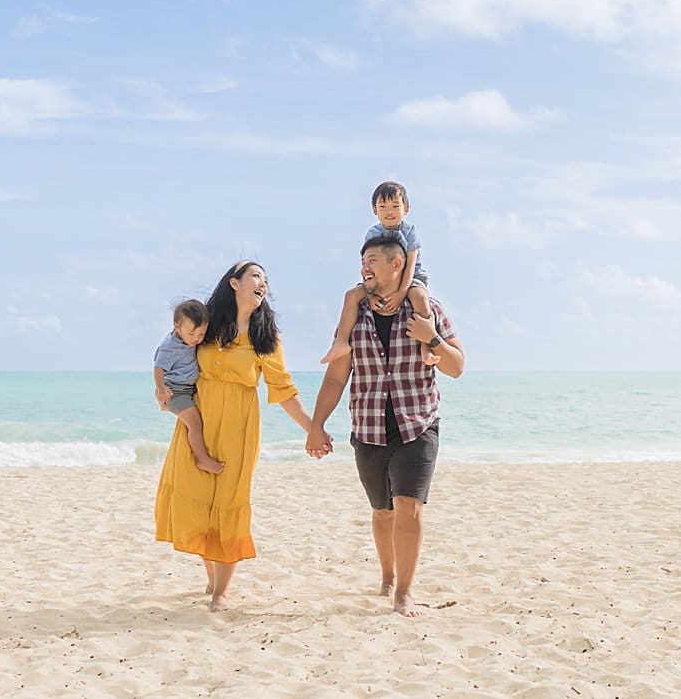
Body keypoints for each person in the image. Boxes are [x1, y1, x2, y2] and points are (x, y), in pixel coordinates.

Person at [306, 231, 465, 617]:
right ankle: (388, 577)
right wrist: (316, 424)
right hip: (369, 426)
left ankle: (404, 594)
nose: (365, 267)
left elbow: (456, 366)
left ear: (398, 264)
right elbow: (336, 377)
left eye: (373, 260)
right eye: (363, 261)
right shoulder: (354, 318)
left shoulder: (427, 310)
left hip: (418, 423)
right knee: (382, 511)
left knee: (408, 507)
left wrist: (433, 341)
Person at [155, 260, 314, 611]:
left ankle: (221, 592)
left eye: (266, 280)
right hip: (198, 419)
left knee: (228, 503)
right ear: (234, 283)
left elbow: (283, 389)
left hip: (239, 427)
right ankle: (213, 580)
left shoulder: (265, 336)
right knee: (198, 502)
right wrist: (163, 386)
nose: (263, 283)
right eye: (256, 276)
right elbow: (173, 345)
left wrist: (312, 427)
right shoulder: (208, 323)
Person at [321, 181, 438, 367]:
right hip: (379, 279)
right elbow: (368, 265)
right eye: (383, 206)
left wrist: (401, 292)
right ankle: (341, 342)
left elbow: (410, 264)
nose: (389, 211)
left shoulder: (410, 232)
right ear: (374, 209)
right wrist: (370, 292)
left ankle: (426, 346)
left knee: (420, 298)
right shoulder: (372, 233)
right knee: (351, 295)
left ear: (406, 208)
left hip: (411, 276)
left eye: (395, 206)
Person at [153, 299, 222, 474]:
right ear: (176, 326)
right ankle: (202, 459)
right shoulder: (170, 346)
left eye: (201, 334)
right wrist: (161, 388)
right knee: (195, 424)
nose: (197, 339)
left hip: (186, 390)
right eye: (192, 334)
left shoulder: (188, 337)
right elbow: (158, 368)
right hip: (175, 392)